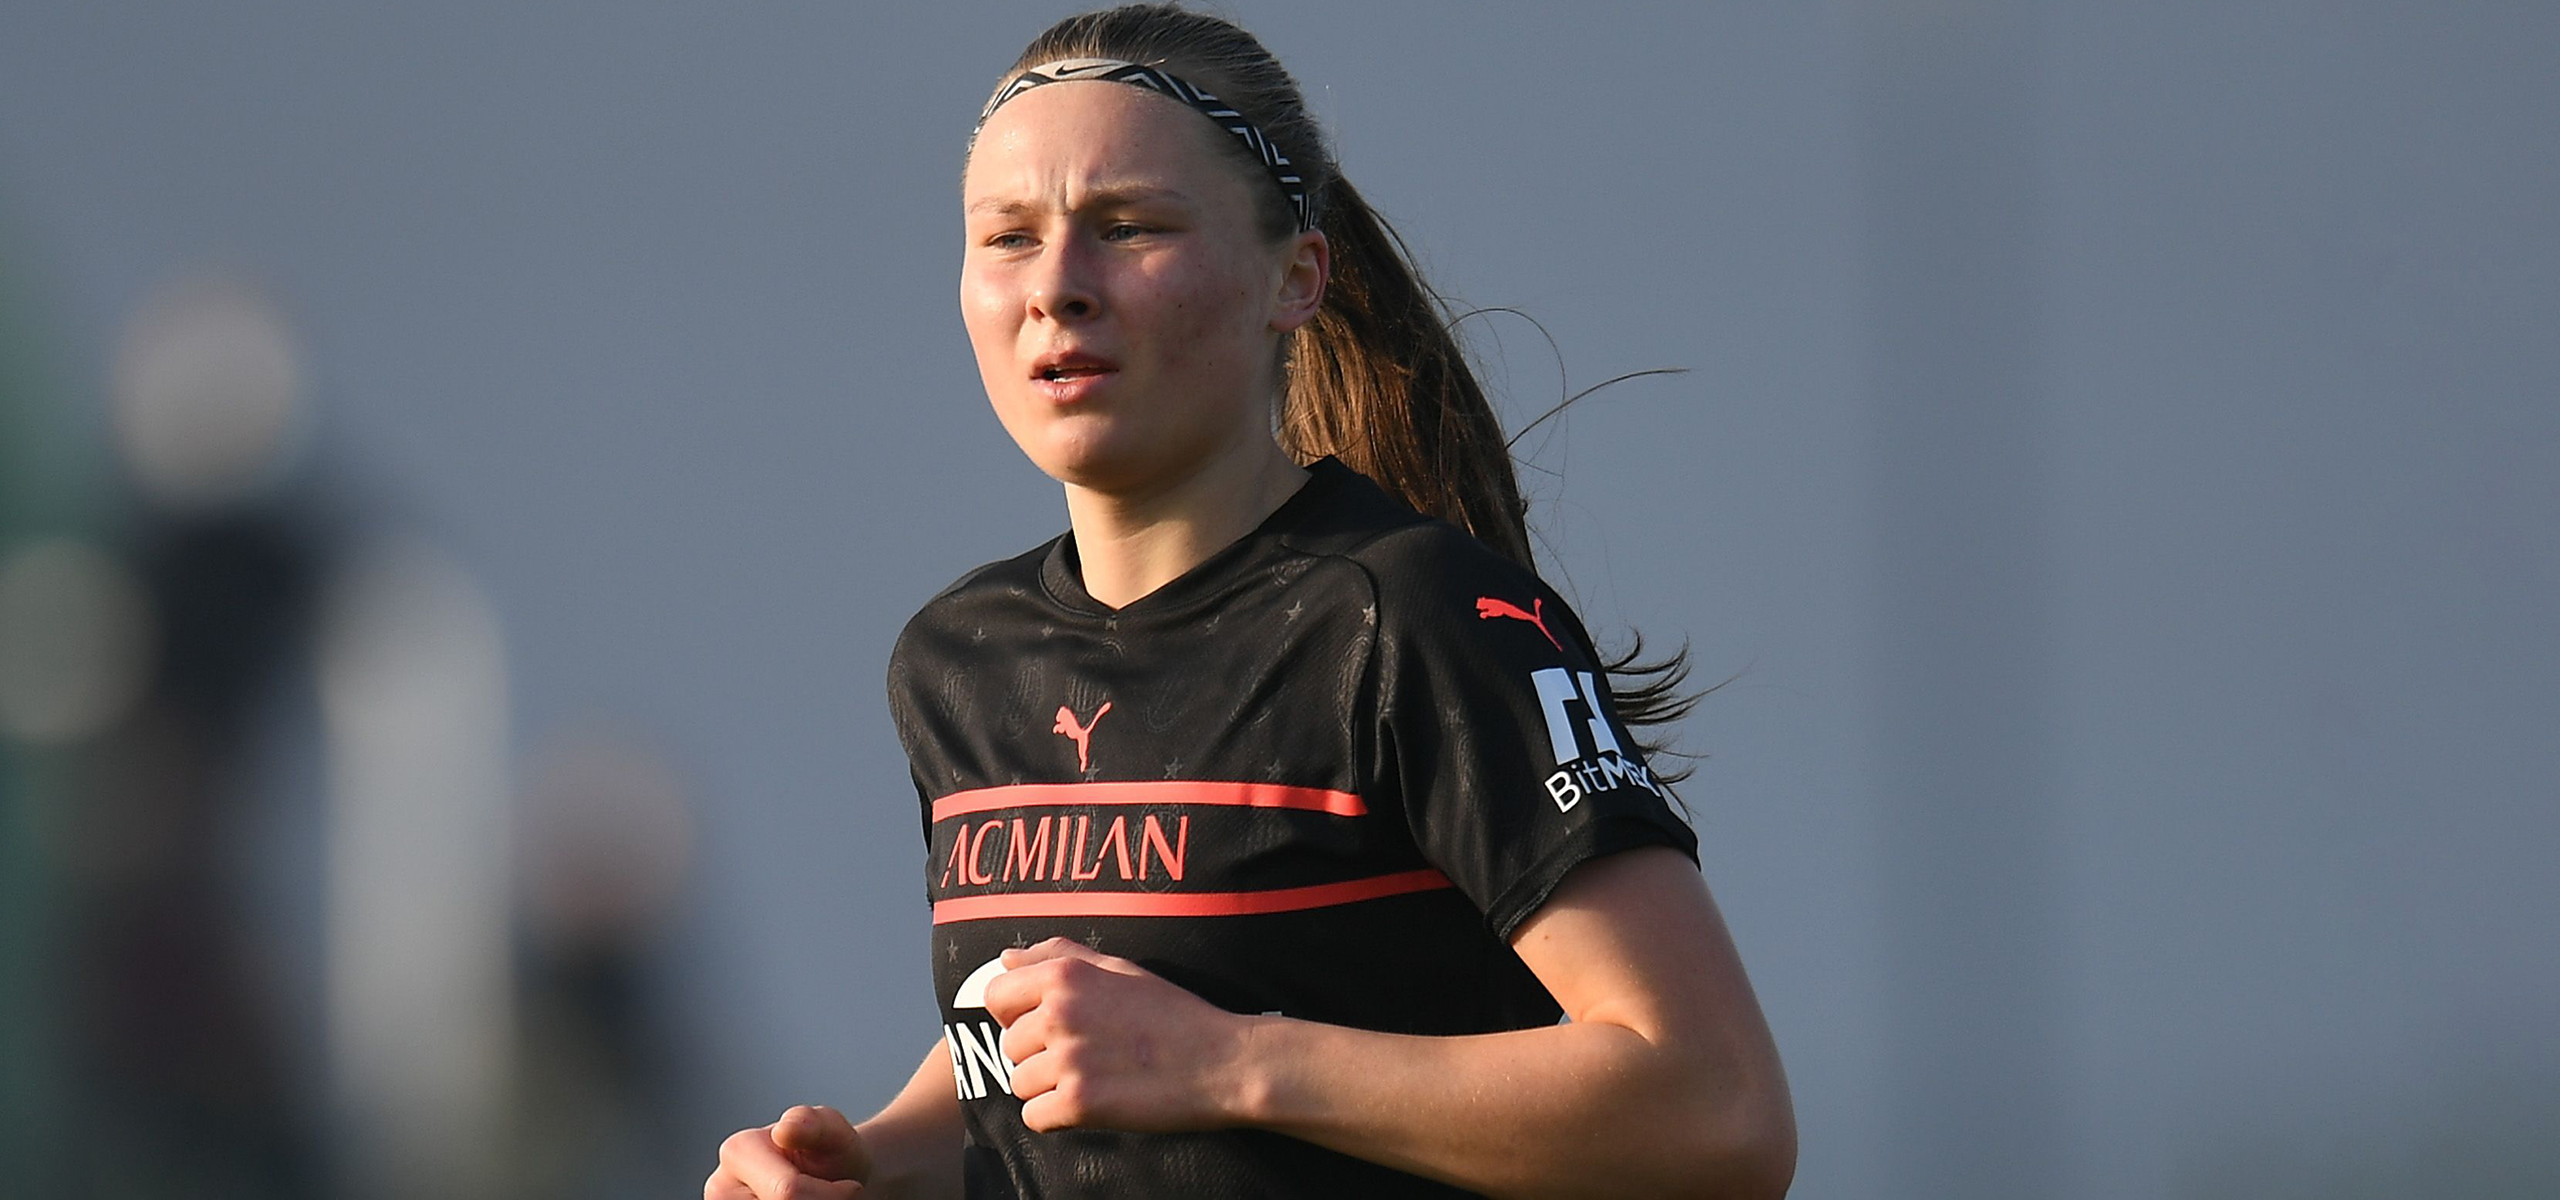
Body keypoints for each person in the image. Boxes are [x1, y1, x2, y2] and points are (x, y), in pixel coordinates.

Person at [706, 5, 1794, 1197]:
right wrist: (867, 1163)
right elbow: (1041, 1055)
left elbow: (1717, 1111)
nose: (1056, 287)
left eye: (1129, 227)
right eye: (1007, 237)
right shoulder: (959, 657)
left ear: (1295, 277)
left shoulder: (1411, 621)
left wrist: (1230, 1063)